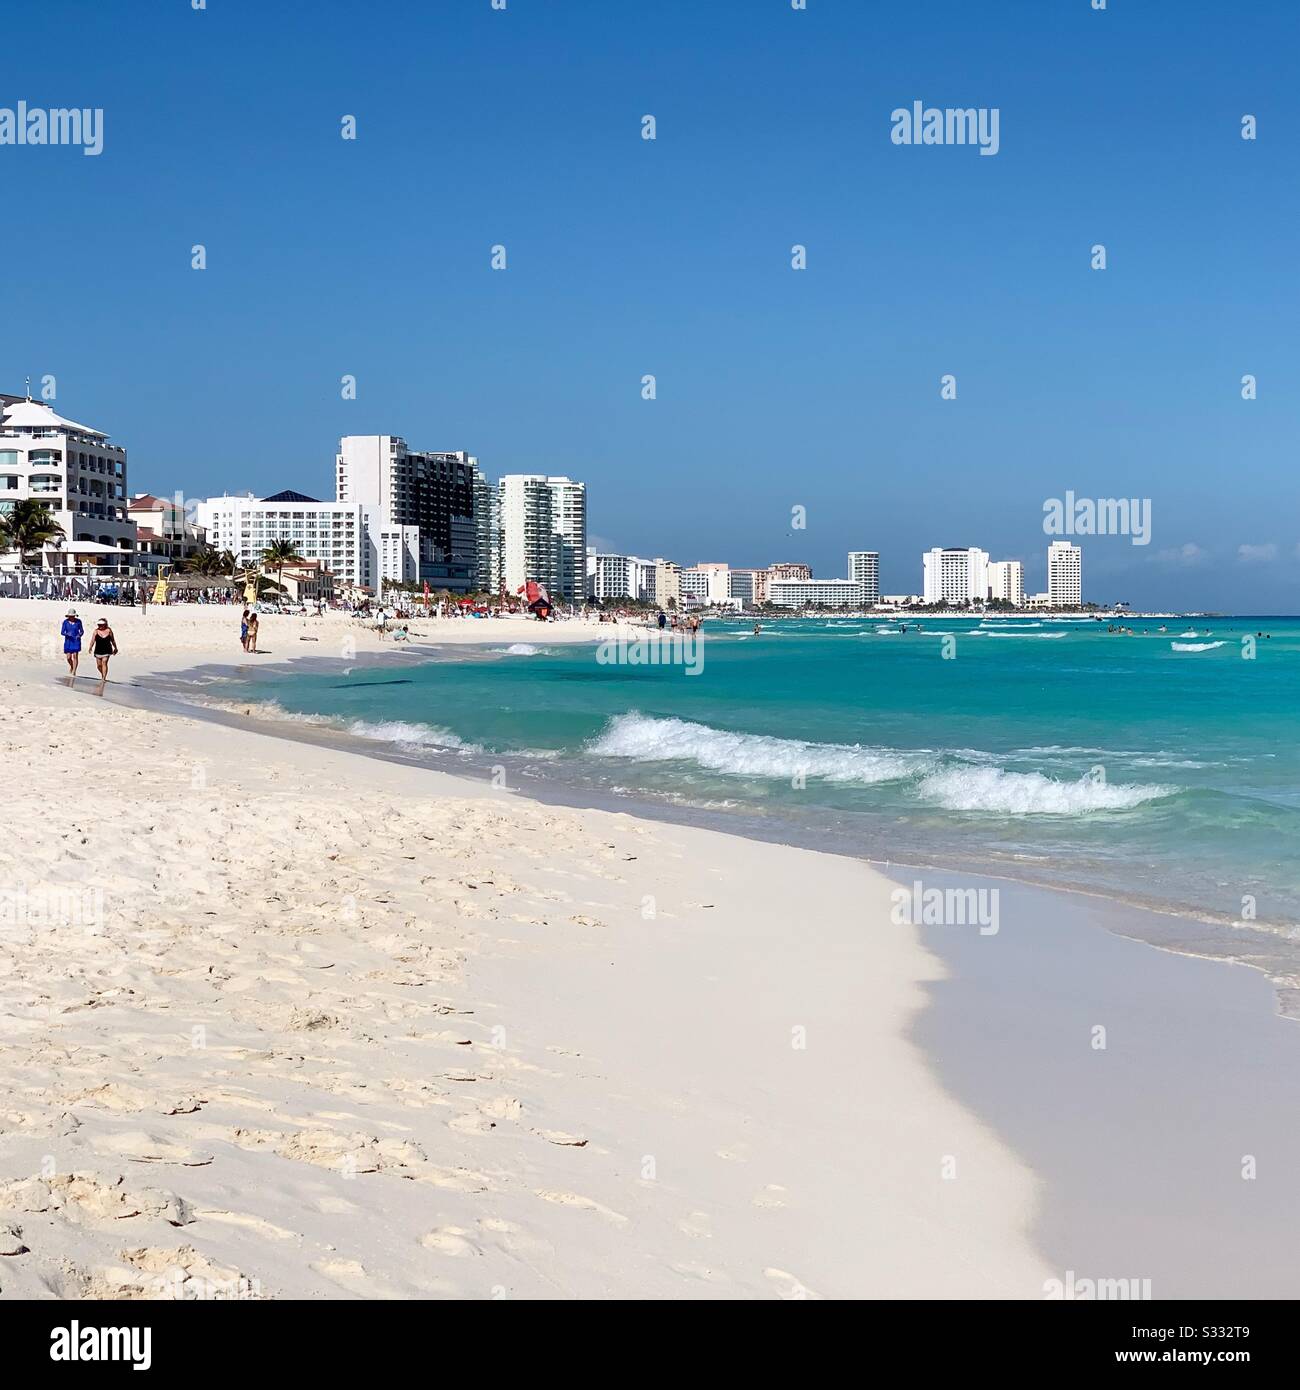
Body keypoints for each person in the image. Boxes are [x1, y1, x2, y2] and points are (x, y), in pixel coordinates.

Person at [90, 617, 117, 682]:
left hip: (107, 650)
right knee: (99, 665)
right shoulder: (96, 631)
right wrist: (90, 647)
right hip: (98, 650)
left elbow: (112, 640)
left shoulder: (109, 630)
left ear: (105, 624)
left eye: (101, 625)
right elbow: (92, 640)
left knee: (104, 662)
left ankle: (103, 678)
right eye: (98, 625)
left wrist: (115, 648)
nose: (99, 626)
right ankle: (103, 674)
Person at [60, 608, 84, 679]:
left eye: (73, 616)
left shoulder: (79, 622)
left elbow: (82, 631)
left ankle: (74, 671)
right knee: (68, 657)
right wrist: (67, 634)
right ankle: (72, 666)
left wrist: (79, 635)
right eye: (70, 616)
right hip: (68, 641)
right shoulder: (65, 622)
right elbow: (62, 632)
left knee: (75, 656)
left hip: (76, 640)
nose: (71, 617)